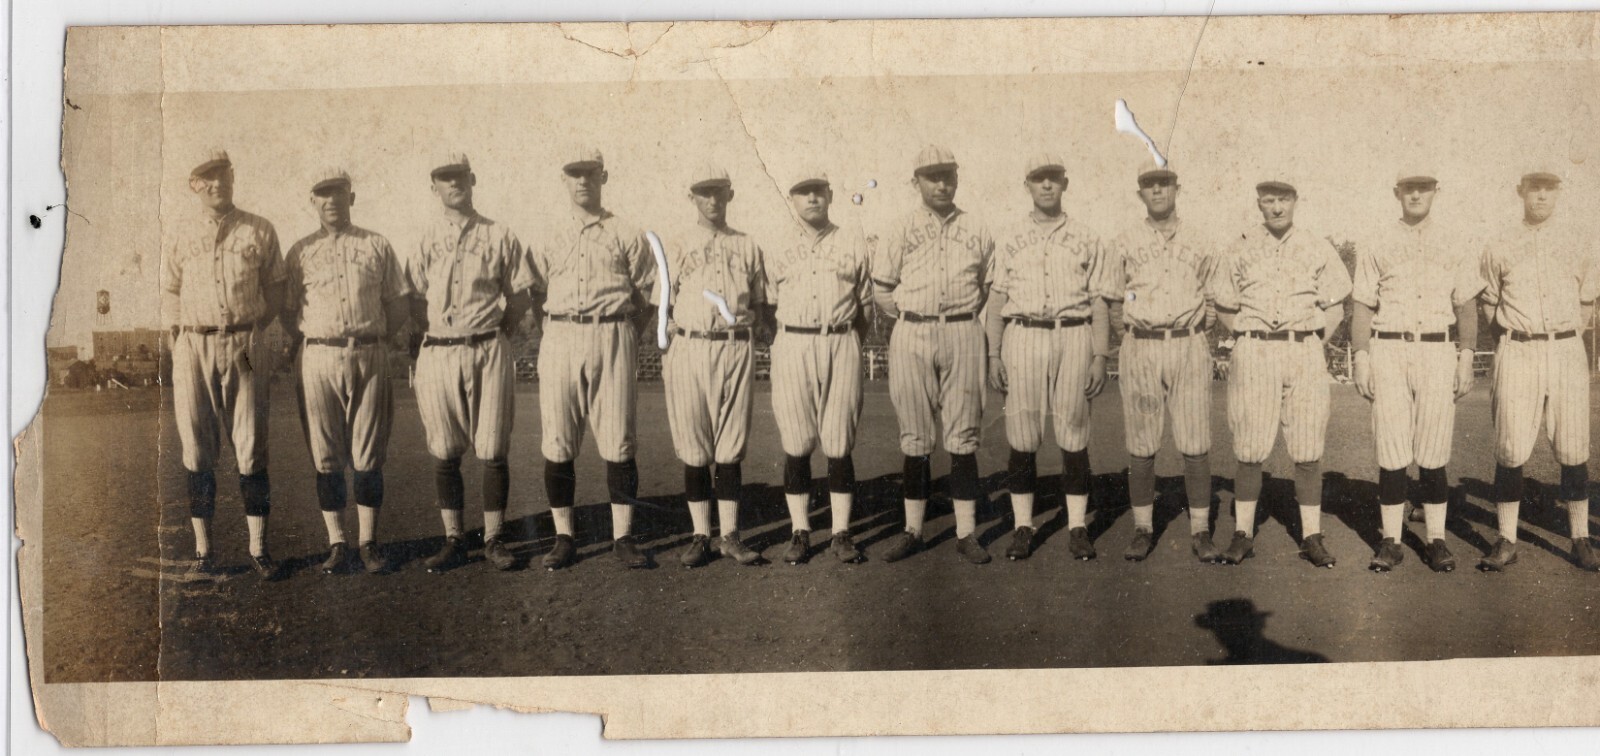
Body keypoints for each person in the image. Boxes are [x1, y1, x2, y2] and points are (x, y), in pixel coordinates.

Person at [1213, 176, 1351, 567]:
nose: (1276, 208)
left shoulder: (1316, 246)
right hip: (1255, 348)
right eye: (1269, 200)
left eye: (1283, 200)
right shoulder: (1239, 247)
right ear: (1259, 203)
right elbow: (1224, 303)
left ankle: (1311, 535)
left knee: (1307, 448)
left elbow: (1337, 303)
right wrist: (1243, 335)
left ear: (1295, 201)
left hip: (1304, 347)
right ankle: (1242, 533)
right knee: (1250, 448)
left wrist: (1311, 342)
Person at [405, 152, 533, 573]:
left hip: (487, 346)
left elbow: (519, 296)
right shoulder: (423, 236)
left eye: (458, 176)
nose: (452, 183)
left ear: (472, 179)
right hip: (439, 349)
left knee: (493, 448)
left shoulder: (500, 233)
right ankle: (454, 539)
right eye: (444, 177)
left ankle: (494, 538)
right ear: (434, 186)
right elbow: (413, 298)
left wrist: (499, 332)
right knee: (444, 450)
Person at [529, 147, 656, 570]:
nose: (582, 180)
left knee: (620, 439)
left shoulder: (627, 232)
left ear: (604, 177)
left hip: (613, 332)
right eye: (574, 173)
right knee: (559, 439)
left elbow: (651, 294)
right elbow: (533, 293)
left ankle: (623, 537)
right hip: (561, 333)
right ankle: (564, 537)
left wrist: (625, 332)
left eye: (590, 172)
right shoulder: (548, 232)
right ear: (564, 179)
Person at [162, 148, 285, 580]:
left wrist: (251, 329)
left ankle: (259, 548)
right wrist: (179, 336)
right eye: (207, 176)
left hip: (246, 341)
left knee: (252, 449)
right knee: (197, 450)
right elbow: (171, 291)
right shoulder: (178, 233)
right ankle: (204, 551)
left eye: (223, 174)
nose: (217, 183)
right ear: (195, 184)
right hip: (194, 344)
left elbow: (277, 292)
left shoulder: (260, 229)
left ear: (233, 176)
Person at [1350, 169, 1481, 572]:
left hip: (1438, 348)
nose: (1416, 194)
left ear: (1435, 192)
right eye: (1409, 188)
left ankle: (1436, 540)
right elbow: (1362, 306)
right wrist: (1360, 357)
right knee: (1391, 450)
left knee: (1433, 448)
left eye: (1424, 187)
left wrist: (1466, 356)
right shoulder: (1376, 239)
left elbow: (1466, 306)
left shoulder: (1456, 239)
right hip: (1388, 346)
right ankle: (1390, 541)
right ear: (1397, 193)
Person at [282, 167, 411, 575]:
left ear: (351, 197)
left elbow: (399, 303)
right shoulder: (299, 251)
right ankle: (338, 543)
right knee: (327, 457)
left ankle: (369, 542)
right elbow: (287, 312)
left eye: (338, 192)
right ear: (313, 201)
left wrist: (377, 340)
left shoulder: (377, 244)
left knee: (369, 455)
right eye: (323, 193)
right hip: (317, 355)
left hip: (369, 353)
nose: (331, 200)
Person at [873, 145, 997, 564]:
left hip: (964, 330)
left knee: (963, 438)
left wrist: (961, 320)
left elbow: (990, 287)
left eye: (947, 175)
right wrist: (910, 319)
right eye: (932, 176)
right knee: (916, 437)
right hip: (913, 331)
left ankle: (965, 533)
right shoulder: (899, 228)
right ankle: (912, 530)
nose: (941, 183)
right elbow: (882, 289)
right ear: (916, 182)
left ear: (958, 179)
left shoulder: (978, 228)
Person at [986, 154, 1112, 561]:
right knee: (1022, 435)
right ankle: (1024, 525)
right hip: (1022, 335)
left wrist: (1099, 356)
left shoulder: (1088, 236)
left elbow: (1099, 302)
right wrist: (993, 353)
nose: (1046, 185)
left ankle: (1077, 526)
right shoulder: (1008, 237)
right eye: (1038, 179)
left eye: (1053, 179)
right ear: (1027, 185)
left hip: (1073, 335)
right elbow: (996, 300)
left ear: (1064, 183)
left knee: (1074, 433)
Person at [1476, 166, 1600, 572]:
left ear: (1559, 194)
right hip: (1518, 349)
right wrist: (1517, 341)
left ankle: (1580, 537)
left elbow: (1586, 301)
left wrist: (1563, 337)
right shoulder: (1499, 244)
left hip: (1565, 348)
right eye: (1534, 189)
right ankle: (1507, 539)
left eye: (1549, 189)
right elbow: (1490, 306)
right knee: (1510, 447)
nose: (1542, 197)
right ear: (1520, 192)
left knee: (1573, 445)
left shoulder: (1579, 240)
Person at [1103, 159, 1224, 563]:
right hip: (1141, 343)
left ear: (1176, 188)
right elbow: (1115, 302)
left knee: (1195, 441)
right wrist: (1133, 337)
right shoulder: (1122, 241)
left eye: (1164, 183)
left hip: (1188, 343)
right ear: (1140, 192)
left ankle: (1201, 530)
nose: (1157, 190)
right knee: (1141, 443)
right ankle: (1142, 529)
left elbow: (1212, 300)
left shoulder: (1202, 240)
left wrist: (1192, 332)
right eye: (1149, 184)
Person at [659, 164, 768, 568]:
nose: (712, 199)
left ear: (730, 194)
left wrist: (754, 320)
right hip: (690, 346)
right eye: (703, 192)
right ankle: (700, 535)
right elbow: (663, 304)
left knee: (731, 446)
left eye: (718, 191)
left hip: (735, 347)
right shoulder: (677, 242)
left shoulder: (748, 244)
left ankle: (731, 536)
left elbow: (759, 303)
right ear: (692, 197)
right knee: (694, 445)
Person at [765, 168, 872, 564]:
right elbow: (765, 304)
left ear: (830, 195)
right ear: (792, 198)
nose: (811, 198)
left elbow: (864, 303)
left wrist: (845, 339)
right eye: (802, 192)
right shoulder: (776, 244)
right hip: (793, 341)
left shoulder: (852, 240)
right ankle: (800, 530)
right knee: (796, 443)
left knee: (840, 442)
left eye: (818, 191)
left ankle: (842, 532)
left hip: (841, 339)